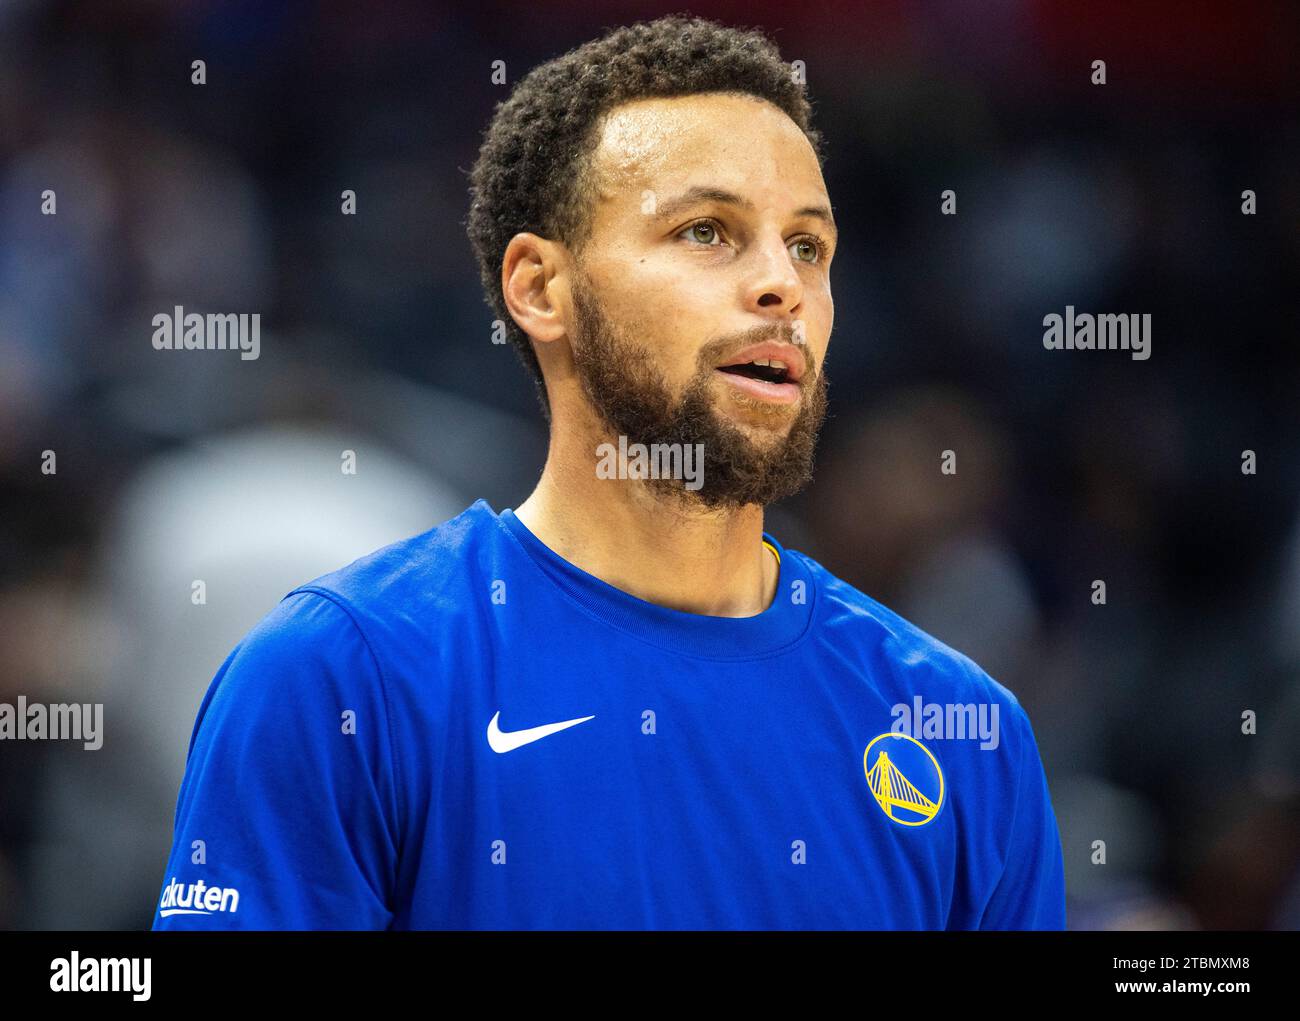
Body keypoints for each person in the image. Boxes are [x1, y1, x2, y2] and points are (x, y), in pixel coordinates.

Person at [152, 14, 1065, 930]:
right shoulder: (344, 677)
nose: (782, 286)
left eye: (808, 246)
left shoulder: (960, 726)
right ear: (542, 289)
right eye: (707, 231)